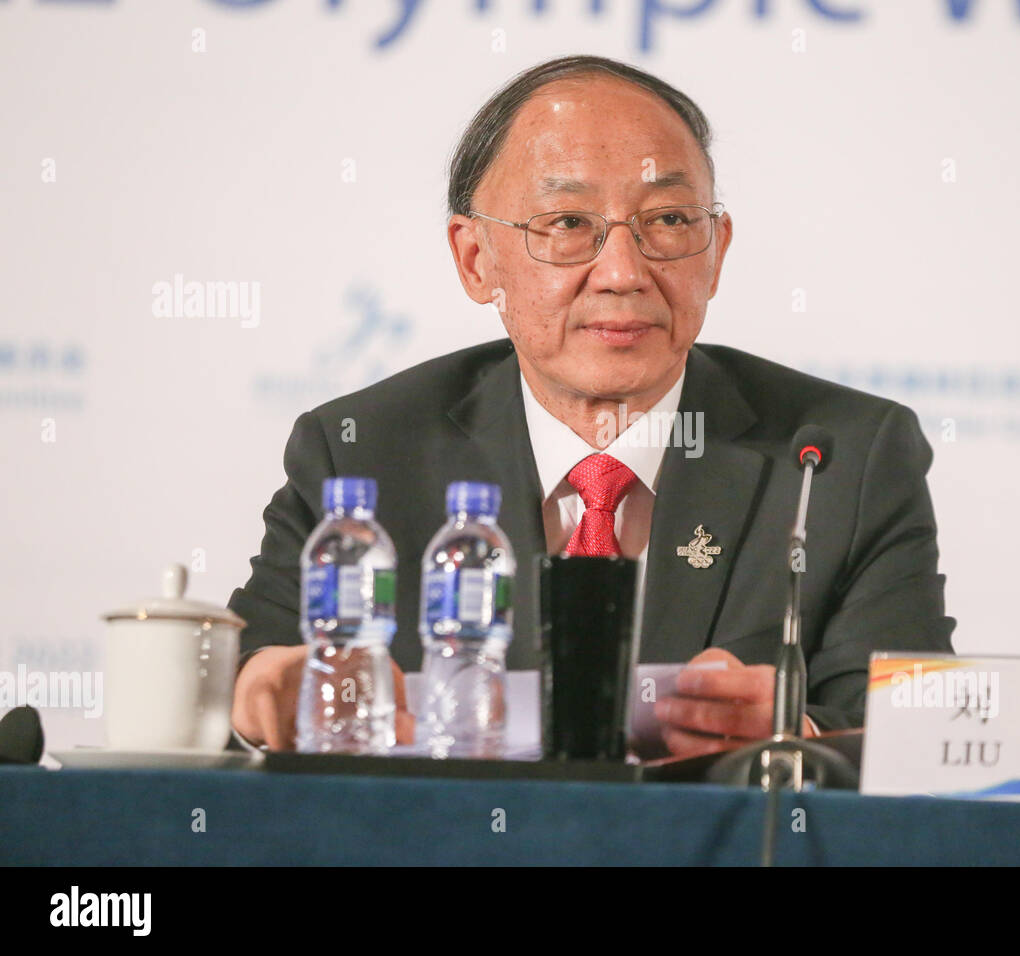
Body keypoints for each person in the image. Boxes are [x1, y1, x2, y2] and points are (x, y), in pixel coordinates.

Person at [227, 54, 956, 755]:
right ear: (476, 260)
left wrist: (798, 733)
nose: (622, 272)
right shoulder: (364, 451)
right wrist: (264, 691)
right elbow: (251, 674)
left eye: (669, 221)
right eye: (568, 224)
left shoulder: (841, 458)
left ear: (717, 249)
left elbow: (917, 737)